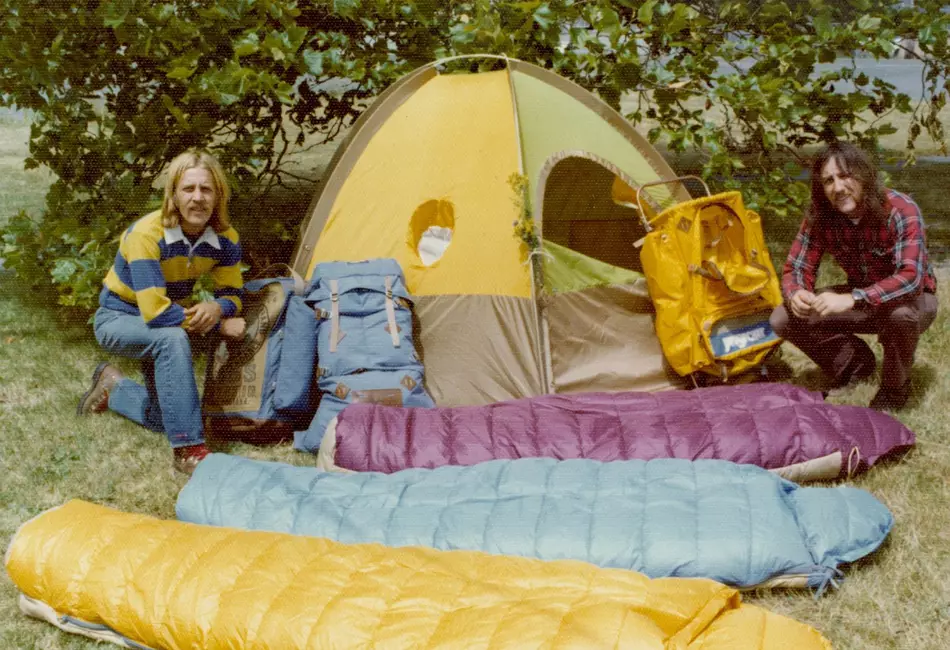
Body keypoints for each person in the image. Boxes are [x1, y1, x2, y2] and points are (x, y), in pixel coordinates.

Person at [77, 150, 246, 474]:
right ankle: (188, 450)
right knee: (172, 340)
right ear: (173, 195)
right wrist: (218, 325)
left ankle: (111, 386)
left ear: (218, 195)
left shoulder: (226, 239)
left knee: (160, 419)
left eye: (206, 189)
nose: (198, 198)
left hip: (166, 318)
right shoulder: (147, 234)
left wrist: (217, 307)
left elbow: (233, 295)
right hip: (119, 317)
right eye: (188, 189)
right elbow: (155, 313)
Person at [770, 141, 938, 411]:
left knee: (901, 316)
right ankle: (854, 364)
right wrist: (797, 292)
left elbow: (910, 279)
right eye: (828, 180)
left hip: (911, 300)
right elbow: (796, 267)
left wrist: (853, 298)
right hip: (859, 295)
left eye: (845, 175)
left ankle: (894, 389)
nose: (838, 187)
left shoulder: (901, 210)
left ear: (864, 176)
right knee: (783, 317)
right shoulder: (820, 214)